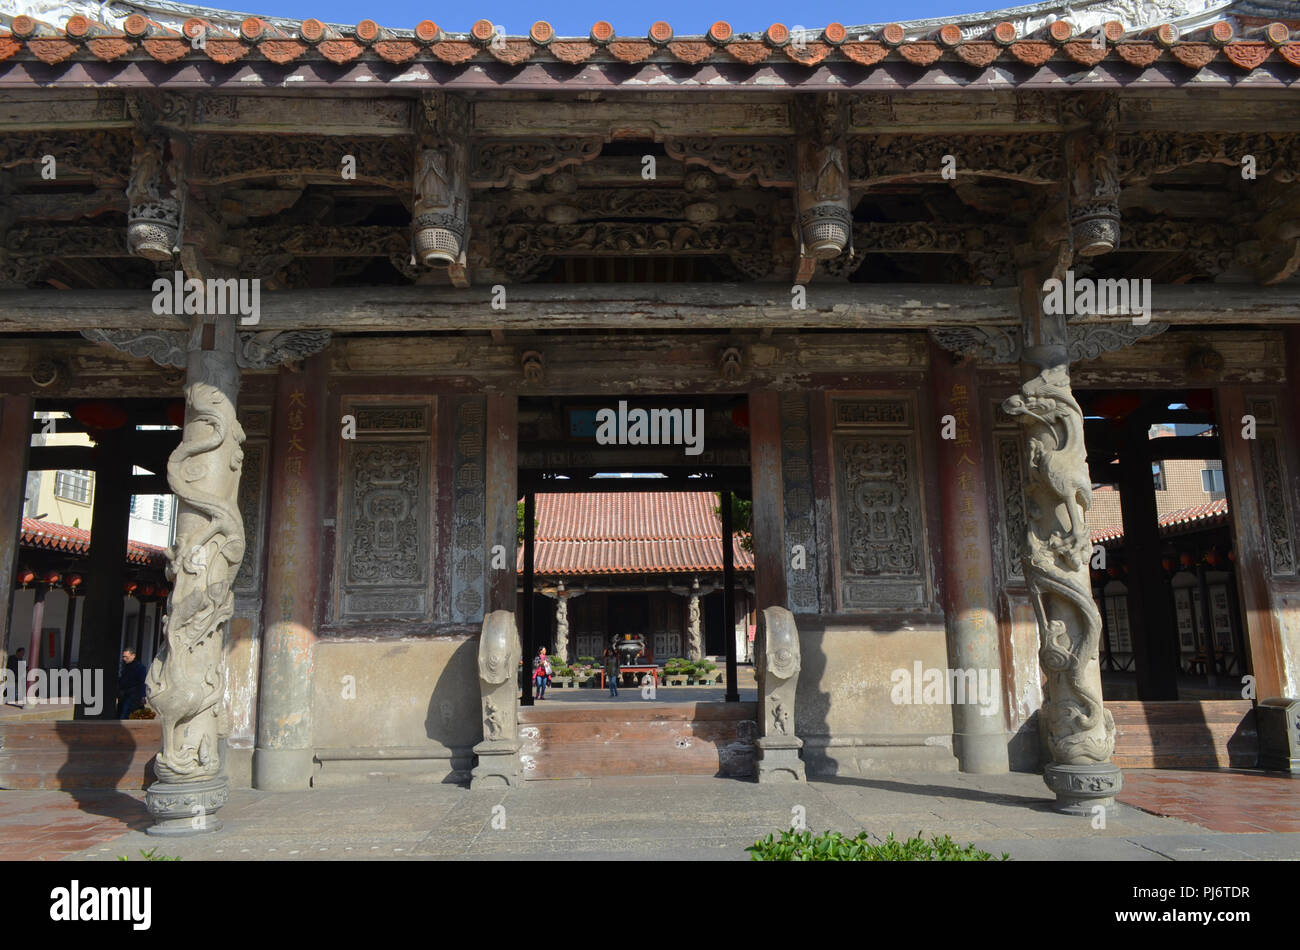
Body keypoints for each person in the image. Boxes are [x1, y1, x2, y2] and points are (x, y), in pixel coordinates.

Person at [117, 649, 146, 718]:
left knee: (125, 715)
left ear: (133, 656)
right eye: (123, 657)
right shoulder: (124, 666)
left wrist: (143, 696)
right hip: (123, 695)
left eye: (127, 657)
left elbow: (142, 682)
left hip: (133, 696)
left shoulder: (140, 668)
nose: (124, 659)